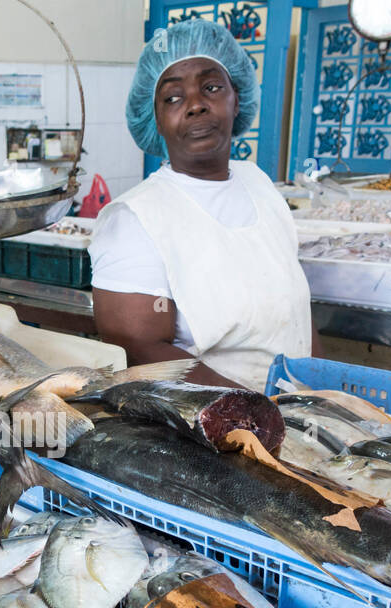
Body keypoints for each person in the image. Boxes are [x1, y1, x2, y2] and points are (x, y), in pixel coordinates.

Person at [88, 18, 313, 392]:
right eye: (173, 98)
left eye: (211, 87)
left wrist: (326, 393)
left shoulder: (259, 184)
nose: (195, 105)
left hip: (300, 409)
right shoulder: (136, 219)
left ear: (235, 97)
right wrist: (261, 413)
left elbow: (297, 318)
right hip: (209, 430)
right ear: (155, 118)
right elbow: (138, 348)